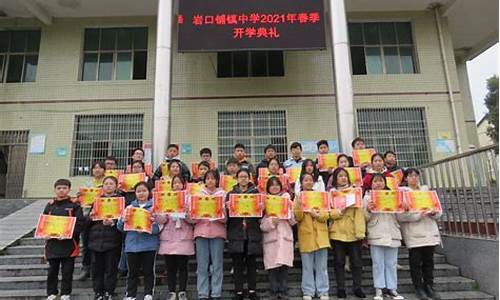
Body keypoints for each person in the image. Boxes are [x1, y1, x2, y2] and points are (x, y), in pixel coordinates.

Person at [398, 168, 442, 300]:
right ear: (405, 178)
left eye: (416, 175)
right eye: (411, 176)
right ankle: (418, 287)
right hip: (414, 233)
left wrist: (434, 213)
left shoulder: (427, 192)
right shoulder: (402, 194)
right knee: (415, 262)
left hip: (429, 231)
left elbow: (439, 210)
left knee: (429, 261)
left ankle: (429, 286)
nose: (414, 178)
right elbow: (400, 217)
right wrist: (418, 214)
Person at [363, 174, 404, 300]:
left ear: (385, 183)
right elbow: (363, 218)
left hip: (392, 232)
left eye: (381, 181)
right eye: (375, 181)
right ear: (371, 184)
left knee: (391, 263)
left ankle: (392, 289)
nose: (378, 183)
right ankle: (379, 289)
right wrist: (368, 210)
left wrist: (403, 208)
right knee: (378, 263)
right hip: (376, 233)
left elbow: (400, 217)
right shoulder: (367, 197)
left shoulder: (393, 196)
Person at [117, 182, 160, 300]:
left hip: (149, 245)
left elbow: (158, 229)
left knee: (148, 271)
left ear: (149, 192)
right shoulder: (129, 208)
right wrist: (123, 221)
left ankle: (148, 293)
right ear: (135, 193)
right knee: (132, 272)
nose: (141, 193)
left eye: (144, 191)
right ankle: (130, 294)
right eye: (138, 191)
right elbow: (120, 228)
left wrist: (148, 226)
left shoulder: (154, 208)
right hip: (131, 245)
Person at [328, 168, 366, 298]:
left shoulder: (355, 192)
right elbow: (329, 213)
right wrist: (341, 211)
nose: (343, 178)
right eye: (340, 176)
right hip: (337, 232)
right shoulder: (331, 193)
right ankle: (341, 288)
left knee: (356, 263)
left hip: (353, 233)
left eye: (345, 176)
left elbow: (359, 213)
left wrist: (360, 232)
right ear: (335, 179)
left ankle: (357, 287)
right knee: (339, 262)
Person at [44, 179, 84, 300]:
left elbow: (79, 223)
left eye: (64, 188)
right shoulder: (50, 205)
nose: (61, 190)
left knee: (67, 271)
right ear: (55, 190)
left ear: (69, 190)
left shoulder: (75, 205)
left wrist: (68, 234)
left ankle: (66, 293)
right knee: (52, 271)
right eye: (59, 188)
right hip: (52, 244)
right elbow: (44, 222)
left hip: (69, 244)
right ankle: (51, 293)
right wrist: (45, 233)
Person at [156, 175, 194, 300]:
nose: (177, 185)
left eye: (179, 183)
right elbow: (161, 220)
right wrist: (161, 212)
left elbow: (193, 220)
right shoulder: (166, 198)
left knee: (183, 266)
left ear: (184, 184)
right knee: (170, 266)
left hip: (184, 235)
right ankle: (171, 291)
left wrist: (186, 212)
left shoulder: (189, 199)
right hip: (169, 235)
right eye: (175, 183)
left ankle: (182, 291)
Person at [226, 169, 262, 300]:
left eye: (245, 177)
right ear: (237, 179)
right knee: (237, 265)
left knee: (252, 264)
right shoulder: (231, 194)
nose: (243, 179)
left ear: (249, 178)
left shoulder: (256, 193)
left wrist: (261, 208)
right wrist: (227, 208)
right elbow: (226, 217)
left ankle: (252, 291)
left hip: (252, 232)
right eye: (241, 177)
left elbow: (261, 215)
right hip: (236, 233)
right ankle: (239, 292)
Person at [294, 173, 330, 300]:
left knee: (322, 266)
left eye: (310, 180)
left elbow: (327, 215)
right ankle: (308, 291)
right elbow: (297, 217)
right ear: (302, 183)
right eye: (306, 180)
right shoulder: (298, 197)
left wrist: (317, 215)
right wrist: (299, 202)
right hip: (306, 235)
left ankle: (323, 291)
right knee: (307, 266)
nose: (308, 182)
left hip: (321, 235)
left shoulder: (320, 196)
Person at [87, 176, 123, 300]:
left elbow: (124, 220)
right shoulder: (96, 201)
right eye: (106, 183)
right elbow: (87, 222)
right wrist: (90, 218)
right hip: (95, 240)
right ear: (102, 186)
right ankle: (98, 292)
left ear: (116, 186)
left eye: (111, 184)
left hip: (113, 240)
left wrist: (113, 222)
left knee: (111, 269)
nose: (108, 186)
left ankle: (109, 292)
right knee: (97, 269)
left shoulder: (120, 201)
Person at [260, 177, 296, 300]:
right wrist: (271, 221)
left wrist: (289, 210)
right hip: (271, 239)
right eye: (272, 185)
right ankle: (274, 291)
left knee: (284, 268)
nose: (274, 187)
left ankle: (284, 291)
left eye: (277, 185)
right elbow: (262, 226)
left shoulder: (287, 200)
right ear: (268, 188)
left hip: (285, 237)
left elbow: (293, 221)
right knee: (272, 268)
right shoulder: (265, 202)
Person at [194, 170, 227, 300]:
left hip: (217, 233)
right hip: (201, 232)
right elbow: (192, 219)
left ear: (217, 180)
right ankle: (202, 293)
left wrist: (218, 213)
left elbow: (225, 219)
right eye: (207, 178)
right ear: (204, 180)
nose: (210, 181)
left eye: (213, 178)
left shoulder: (223, 195)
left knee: (217, 264)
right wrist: (195, 212)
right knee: (202, 265)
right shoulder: (198, 195)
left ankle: (216, 293)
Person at [77, 161, 106, 281]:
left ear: (104, 170)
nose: (97, 170)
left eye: (100, 168)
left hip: (103, 216)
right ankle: (86, 267)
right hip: (87, 215)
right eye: (95, 168)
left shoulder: (107, 183)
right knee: (86, 243)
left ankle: (101, 268)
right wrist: (80, 196)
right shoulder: (87, 184)